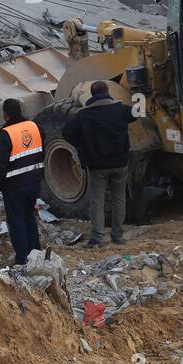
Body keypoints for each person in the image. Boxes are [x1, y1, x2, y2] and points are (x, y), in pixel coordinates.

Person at [62, 80, 137, 248]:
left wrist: (81, 144)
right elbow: (134, 115)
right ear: (107, 91)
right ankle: (117, 236)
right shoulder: (120, 109)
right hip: (120, 163)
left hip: (98, 166)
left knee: (97, 200)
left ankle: (97, 237)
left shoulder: (84, 115)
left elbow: (67, 132)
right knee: (119, 199)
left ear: (92, 94)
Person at [0, 99, 44, 266]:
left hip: (14, 185)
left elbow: (0, 163)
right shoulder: (34, 126)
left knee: (16, 220)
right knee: (29, 216)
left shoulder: (6, 133)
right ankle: (36, 254)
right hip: (34, 181)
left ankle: (22, 259)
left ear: (5, 114)